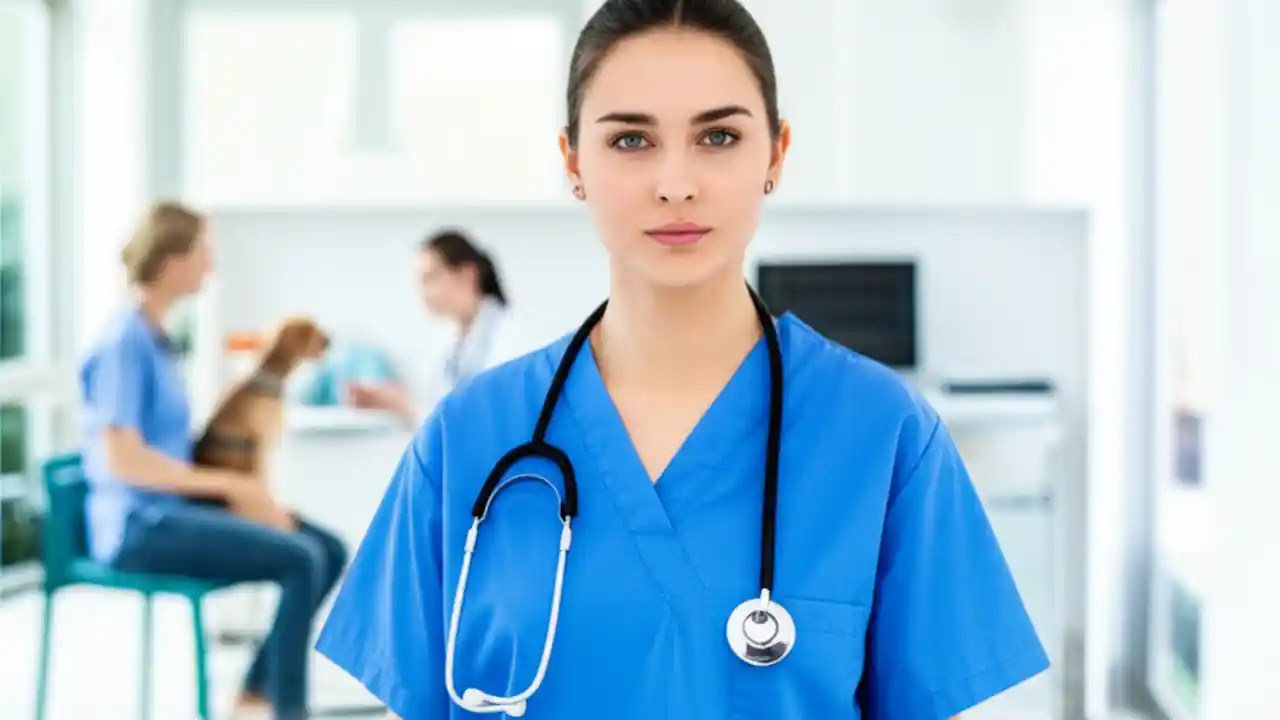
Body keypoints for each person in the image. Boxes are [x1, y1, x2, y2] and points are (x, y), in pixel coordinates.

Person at [316, 1, 1050, 718]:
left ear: (777, 154)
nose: (675, 182)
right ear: (573, 161)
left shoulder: (882, 435)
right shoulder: (469, 436)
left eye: (719, 137)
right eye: (631, 140)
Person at [79, 201, 348, 720]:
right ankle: (287, 710)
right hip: (140, 524)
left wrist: (240, 492)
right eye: (204, 252)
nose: (212, 265)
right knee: (301, 558)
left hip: (179, 510)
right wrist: (233, 488)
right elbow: (124, 459)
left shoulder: (159, 342)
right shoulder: (124, 342)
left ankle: (254, 691)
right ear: (172, 260)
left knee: (329, 549)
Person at [346, 230, 514, 425]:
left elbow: (483, 419)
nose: (423, 292)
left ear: (467, 276)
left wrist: (402, 404)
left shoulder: (510, 337)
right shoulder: (450, 339)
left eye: (430, 278)